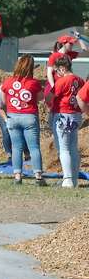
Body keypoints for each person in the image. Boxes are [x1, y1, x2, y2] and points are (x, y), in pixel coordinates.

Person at [1, 56, 44, 185]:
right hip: (29, 117)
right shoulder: (34, 83)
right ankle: (38, 177)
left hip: (13, 117)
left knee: (16, 148)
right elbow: (40, 98)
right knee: (34, 147)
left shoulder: (7, 82)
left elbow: (3, 101)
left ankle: (18, 176)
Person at [46, 55, 83, 189]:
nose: (56, 74)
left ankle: (67, 179)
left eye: (56, 71)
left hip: (63, 114)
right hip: (76, 114)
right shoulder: (80, 80)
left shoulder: (62, 81)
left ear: (62, 68)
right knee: (73, 147)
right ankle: (73, 179)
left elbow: (49, 97)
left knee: (64, 148)